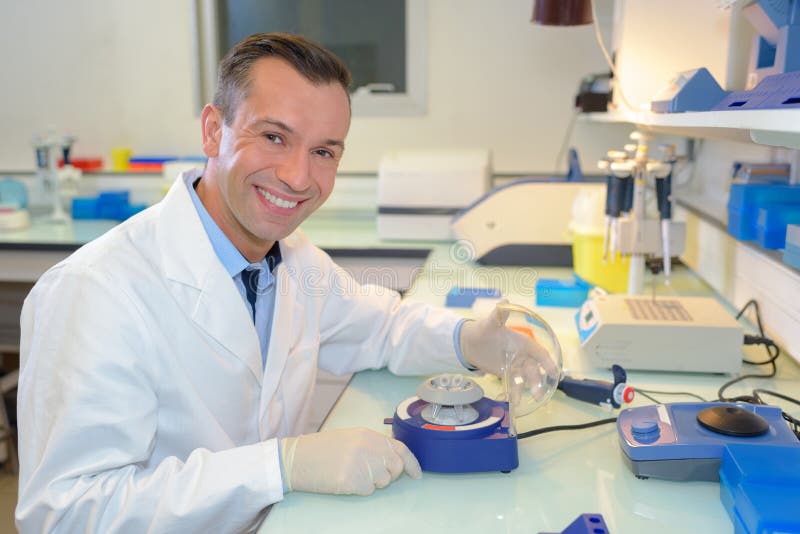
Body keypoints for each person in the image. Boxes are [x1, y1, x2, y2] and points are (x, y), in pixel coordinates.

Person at [16, 33, 551, 533]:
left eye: (324, 152)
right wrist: (280, 466)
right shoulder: (94, 292)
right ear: (212, 130)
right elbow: (64, 513)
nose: (298, 177)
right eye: (274, 137)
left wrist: (469, 341)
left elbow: (381, 326)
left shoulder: (294, 262)